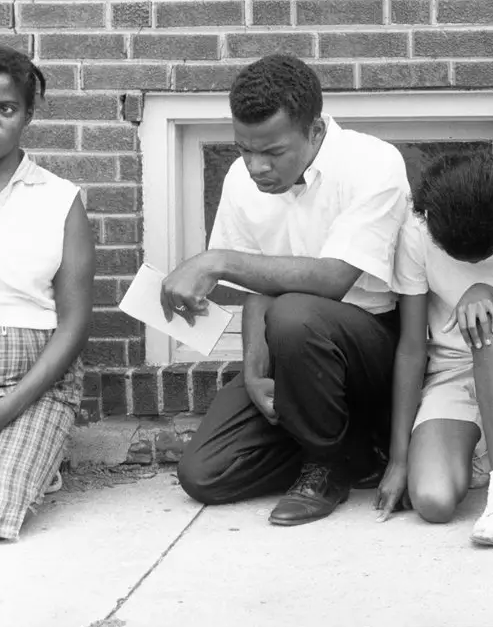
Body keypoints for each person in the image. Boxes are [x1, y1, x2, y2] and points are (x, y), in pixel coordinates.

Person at [166, 55, 410, 526]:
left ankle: (327, 464)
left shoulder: (374, 164)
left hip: (368, 352)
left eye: (272, 152)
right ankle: (353, 448)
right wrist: (255, 373)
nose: (256, 167)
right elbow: (256, 286)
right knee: (204, 475)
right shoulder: (242, 180)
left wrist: (216, 260)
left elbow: (334, 279)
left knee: (296, 313)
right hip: (290, 353)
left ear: (315, 131)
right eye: (243, 150)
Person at [374, 150, 493, 546]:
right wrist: (399, 458)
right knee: (433, 502)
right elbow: (410, 348)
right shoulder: (416, 234)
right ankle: (478, 450)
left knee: (485, 319)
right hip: (450, 376)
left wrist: (488, 291)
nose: (473, 261)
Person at [0, 45, 95, 541]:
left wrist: (2, 410)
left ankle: (27, 454)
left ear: (27, 115)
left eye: (4, 108)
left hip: (32, 386)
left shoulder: (58, 199)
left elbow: (74, 324)